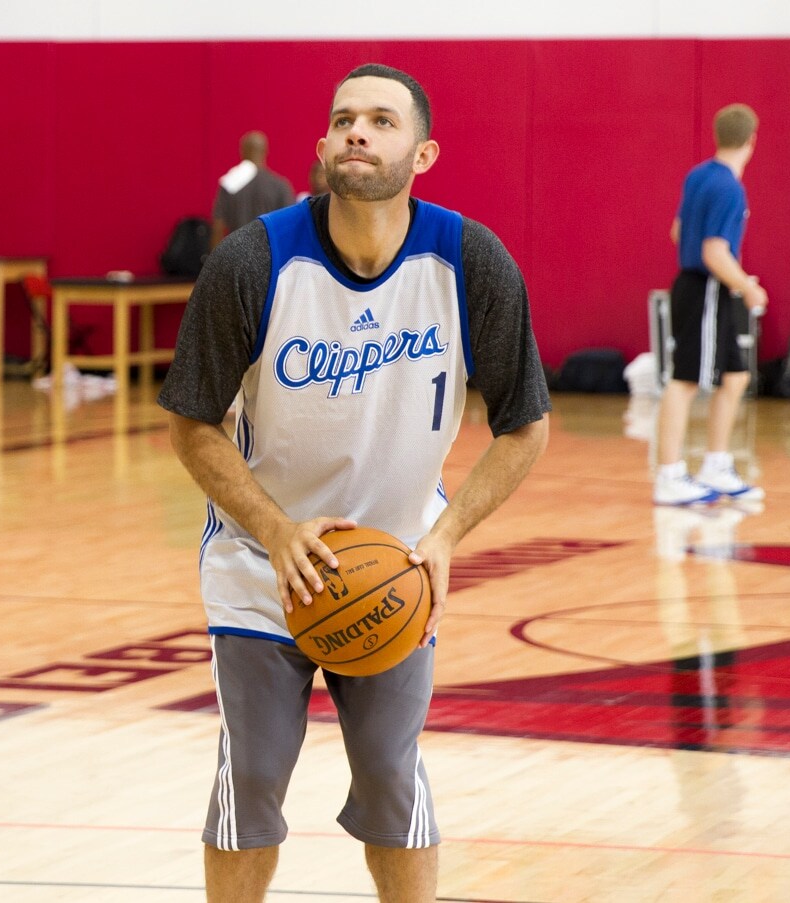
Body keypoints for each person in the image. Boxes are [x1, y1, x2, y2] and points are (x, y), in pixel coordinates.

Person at [159, 64, 551, 902]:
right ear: (322, 146)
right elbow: (191, 422)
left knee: (391, 778)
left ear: (424, 154)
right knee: (251, 779)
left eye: (381, 120)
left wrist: (444, 538)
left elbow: (526, 426)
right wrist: (275, 530)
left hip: (397, 563)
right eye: (344, 120)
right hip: (262, 565)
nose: (358, 132)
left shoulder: (469, 261)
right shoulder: (253, 260)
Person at [653, 104, 766, 506]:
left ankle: (716, 465)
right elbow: (714, 252)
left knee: (735, 376)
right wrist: (747, 286)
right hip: (706, 289)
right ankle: (669, 475)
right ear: (752, 139)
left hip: (705, 288)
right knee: (685, 381)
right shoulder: (730, 188)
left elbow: (677, 231)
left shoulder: (698, 175)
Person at [211, 131, 294, 250]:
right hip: (269, 255)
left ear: (242, 151)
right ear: (266, 151)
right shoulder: (280, 185)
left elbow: (218, 227)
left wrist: (215, 258)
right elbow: (290, 227)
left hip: (236, 253)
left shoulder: (229, 184)